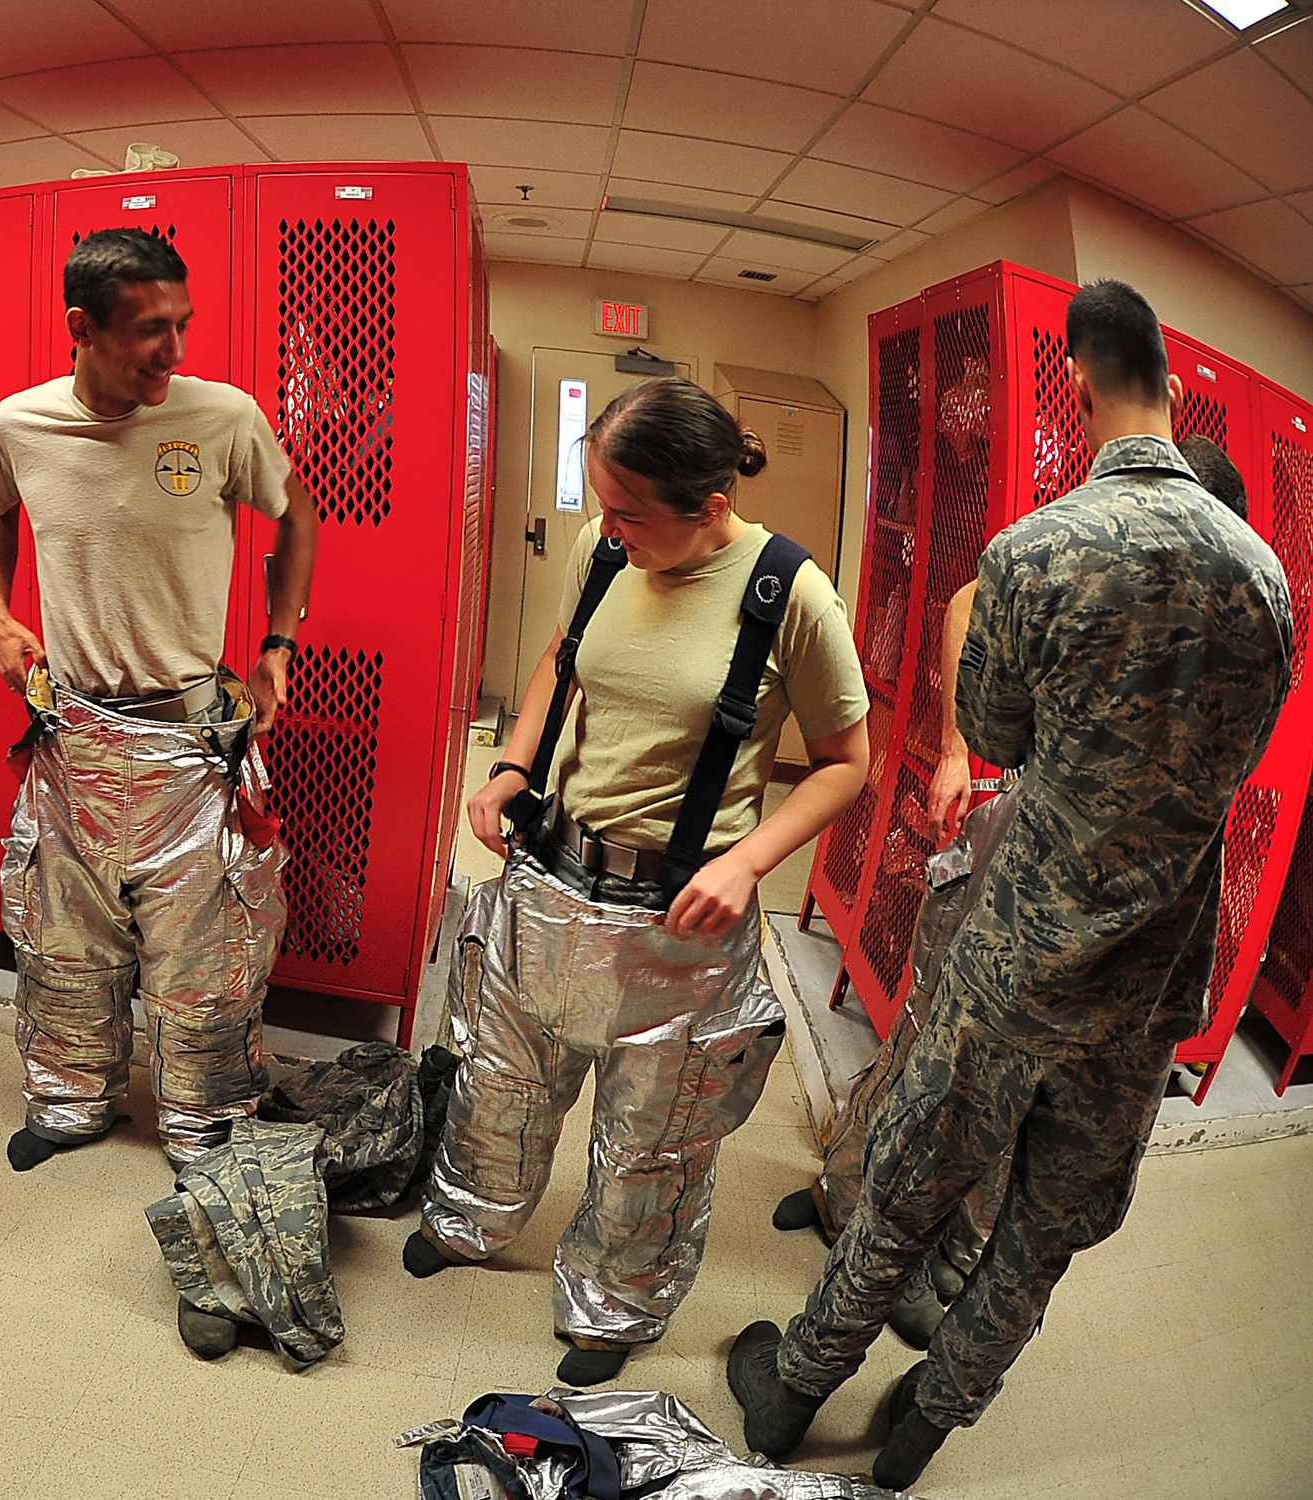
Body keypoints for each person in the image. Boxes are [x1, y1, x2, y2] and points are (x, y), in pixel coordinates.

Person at [728, 280, 1294, 1492]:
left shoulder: (1035, 552)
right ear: (1174, 384)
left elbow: (991, 727)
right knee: (1043, 1231)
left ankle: (791, 1395)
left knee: (911, 1184)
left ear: (1079, 378)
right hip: (1149, 990)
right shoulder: (1269, 582)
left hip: (1025, 954)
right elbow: (1238, 765)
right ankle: (929, 1424)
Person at [405, 377, 871, 1388]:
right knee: (502, 1082)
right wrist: (513, 766)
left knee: (651, 1137)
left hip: (680, 918)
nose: (604, 529)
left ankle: (613, 1307)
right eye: (599, 506)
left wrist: (751, 860)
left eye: (628, 512)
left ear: (708, 505)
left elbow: (847, 759)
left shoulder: (790, 593)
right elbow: (561, 660)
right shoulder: (604, 549)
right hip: (551, 877)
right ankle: (467, 1222)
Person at [773, 422, 1263, 1350]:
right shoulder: (1082, 563)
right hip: (1013, 847)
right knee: (926, 1028)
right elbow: (966, 600)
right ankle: (844, 1191)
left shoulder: (1232, 641)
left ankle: (938, 1267)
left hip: (1106, 906)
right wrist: (960, 747)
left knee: (1014, 1082)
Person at [0, 228, 319, 1306]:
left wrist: (277, 641)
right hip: (73, 730)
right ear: (80, 328)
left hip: (189, 735)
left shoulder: (221, 418)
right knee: (64, 940)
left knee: (202, 956)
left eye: (181, 327)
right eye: (146, 332)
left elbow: (297, 514)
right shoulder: (20, 423)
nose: (170, 351)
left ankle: (203, 1122)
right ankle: (71, 1103)